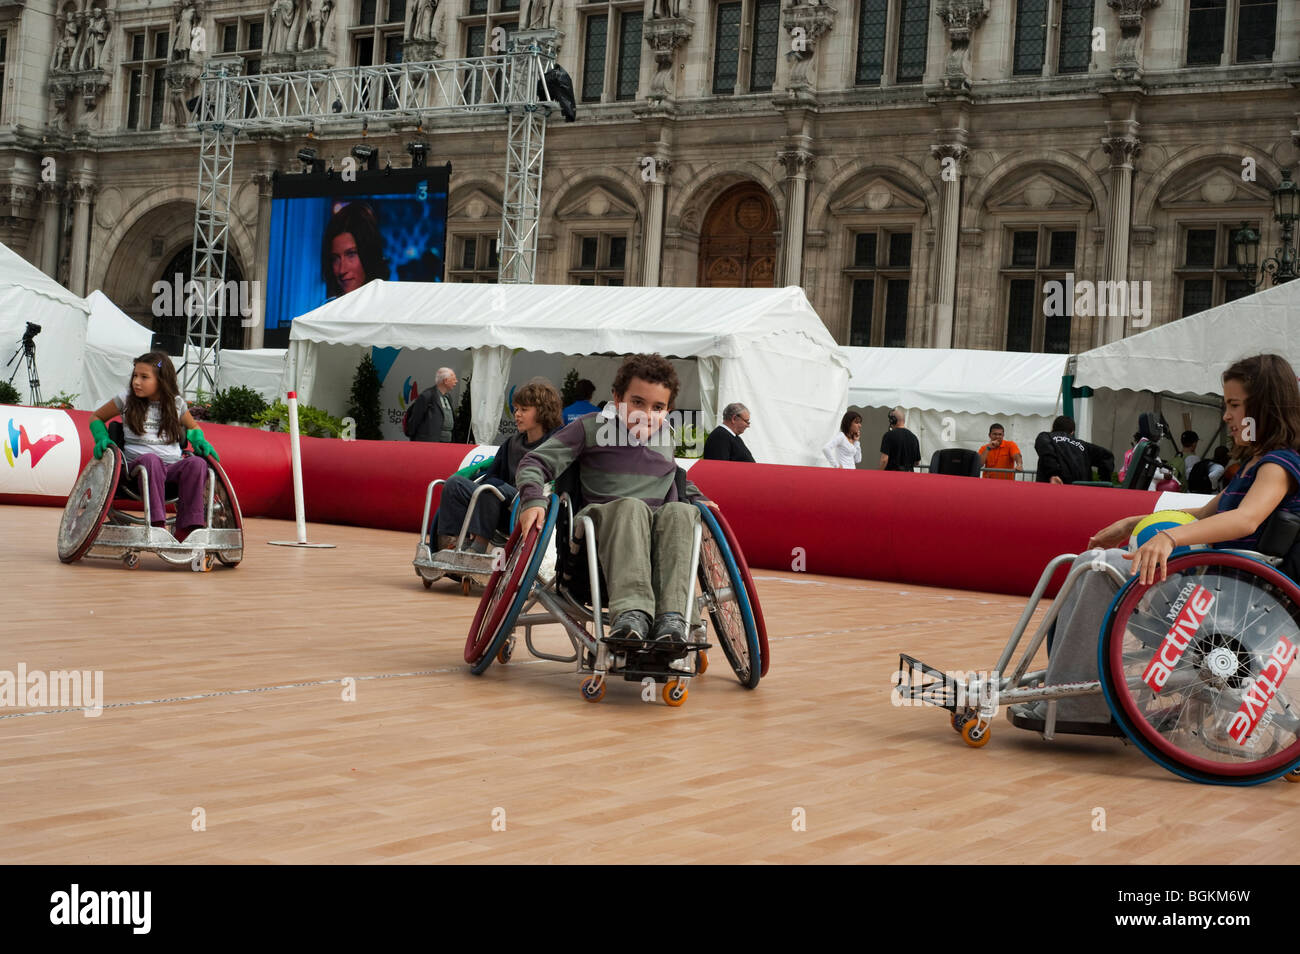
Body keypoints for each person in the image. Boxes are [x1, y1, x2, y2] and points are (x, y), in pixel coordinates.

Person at [1010, 354, 1300, 733]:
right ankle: (1065, 691)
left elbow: (1246, 519)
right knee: (1092, 559)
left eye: (1233, 405)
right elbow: (1205, 513)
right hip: (1217, 587)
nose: (1226, 416)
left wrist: (1167, 537)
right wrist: (1135, 522)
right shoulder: (1254, 463)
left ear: (1263, 407)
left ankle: (1076, 707)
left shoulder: (1279, 464)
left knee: (1103, 568)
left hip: (1228, 599)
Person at [514, 353, 714, 644]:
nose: (646, 414)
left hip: (655, 543)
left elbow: (673, 476)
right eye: (637, 403)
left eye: (657, 407)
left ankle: (674, 617)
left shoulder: (665, 437)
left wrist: (699, 498)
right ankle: (632, 614)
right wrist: (532, 499)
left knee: (682, 513)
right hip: (598, 540)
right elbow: (534, 462)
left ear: (668, 410)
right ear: (617, 398)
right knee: (631, 508)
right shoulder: (590, 427)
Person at [87, 352, 219, 544]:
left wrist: (198, 440)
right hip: (135, 469)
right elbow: (96, 418)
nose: (136, 382)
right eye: (135, 376)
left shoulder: (176, 404)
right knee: (151, 459)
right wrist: (102, 438)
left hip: (171, 469)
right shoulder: (126, 399)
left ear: (161, 380)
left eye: (144, 377)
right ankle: (157, 525)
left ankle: (187, 528)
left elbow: (194, 428)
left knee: (197, 464)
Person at [434, 378, 562, 552]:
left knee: (490, 489)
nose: (517, 414)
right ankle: (452, 544)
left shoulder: (558, 443)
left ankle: (478, 547)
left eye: (524, 410)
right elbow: (492, 476)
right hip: (500, 502)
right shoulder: (511, 443)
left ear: (542, 412)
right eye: (516, 409)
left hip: (532, 505)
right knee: (454, 484)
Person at [321, 201, 387, 299]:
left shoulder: (390, 304)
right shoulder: (326, 310)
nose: (342, 270)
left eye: (351, 254)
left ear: (369, 254)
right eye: (335, 258)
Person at [1034, 416, 1114, 485]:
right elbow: (1107, 456)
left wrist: (1053, 473)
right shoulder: (1084, 446)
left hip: (1052, 489)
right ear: (1072, 432)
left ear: (1052, 428)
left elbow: (1046, 451)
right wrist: (1105, 479)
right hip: (1080, 492)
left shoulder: (1046, 436)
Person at [405, 368, 458, 442]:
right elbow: (415, 419)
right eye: (453, 379)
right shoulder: (427, 395)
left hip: (446, 443)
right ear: (445, 381)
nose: (456, 381)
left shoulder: (448, 398)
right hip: (430, 443)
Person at [879, 406, 920, 472]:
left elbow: (884, 460)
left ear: (893, 420)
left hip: (892, 476)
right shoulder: (914, 437)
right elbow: (917, 462)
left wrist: (879, 473)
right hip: (908, 476)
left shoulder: (888, 435)